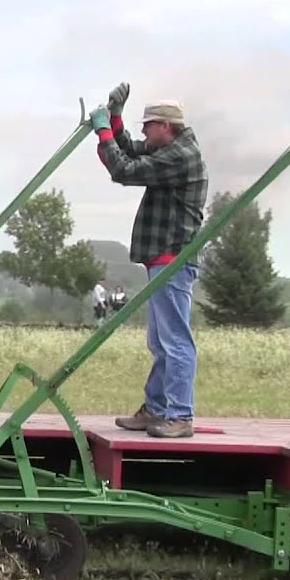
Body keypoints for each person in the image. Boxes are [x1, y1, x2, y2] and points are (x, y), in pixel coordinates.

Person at [88, 83, 208, 439]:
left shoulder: (178, 157)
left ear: (165, 127)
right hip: (163, 258)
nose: (143, 132)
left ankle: (180, 415)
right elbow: (132, 150)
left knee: (175, 341)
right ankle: (156, 409)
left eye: (147, 125)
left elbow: (124, 169)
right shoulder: (172, 148)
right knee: (161, 341)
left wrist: (103, 131)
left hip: (173, 259)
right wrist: (115, 120)